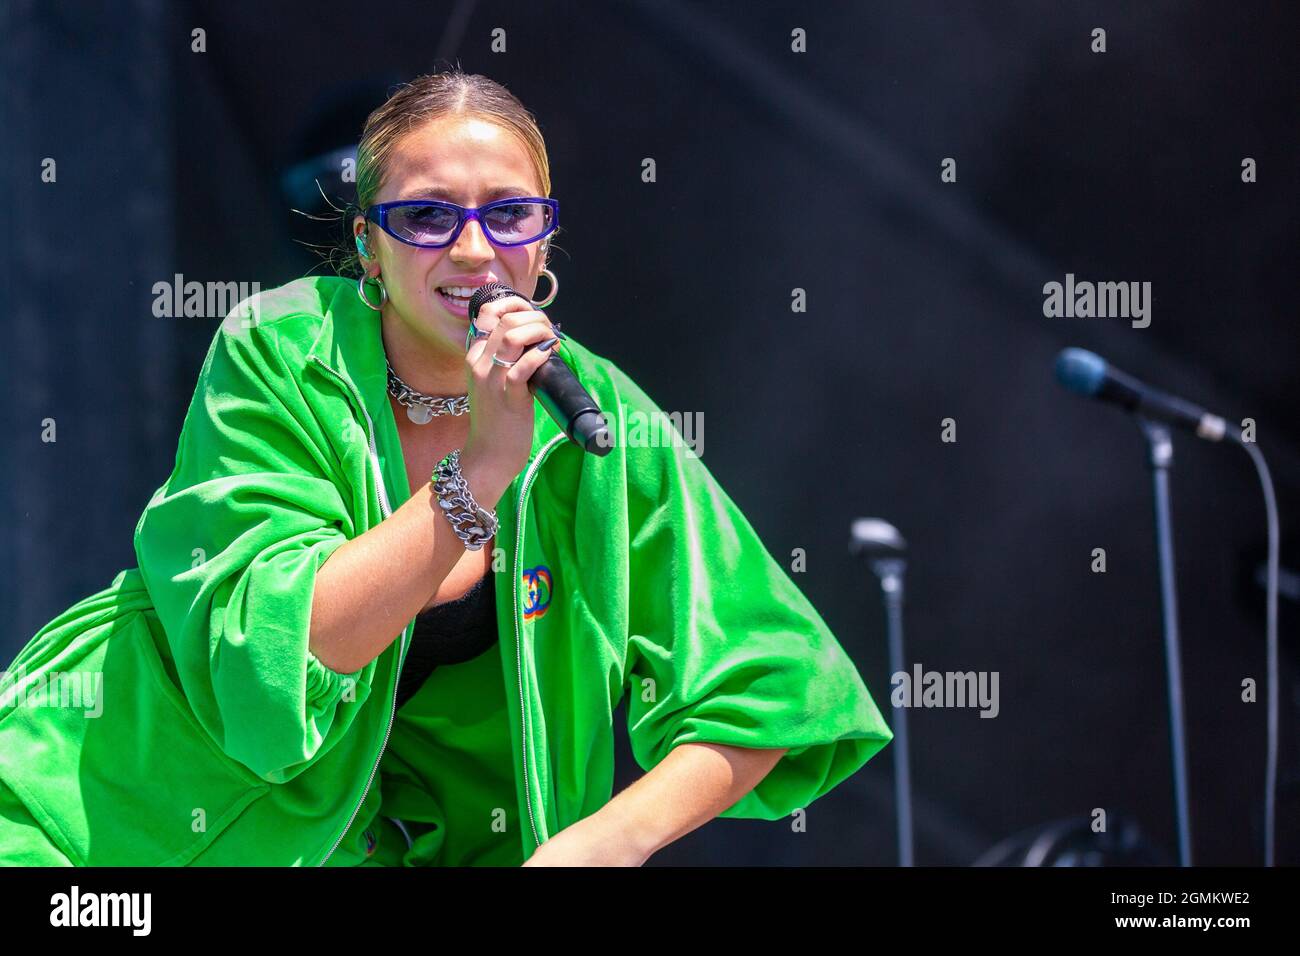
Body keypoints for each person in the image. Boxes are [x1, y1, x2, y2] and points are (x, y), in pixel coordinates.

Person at [0, 70, 892, 867]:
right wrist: (483, 468)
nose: (473, 249)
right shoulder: (280, 349)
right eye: (427, 216)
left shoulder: (599, 417)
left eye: (508, 214)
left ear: (543, 244)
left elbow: (774, 685)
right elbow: (275, 663)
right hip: (109, 820)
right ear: (368, 248)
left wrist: (603, 843)